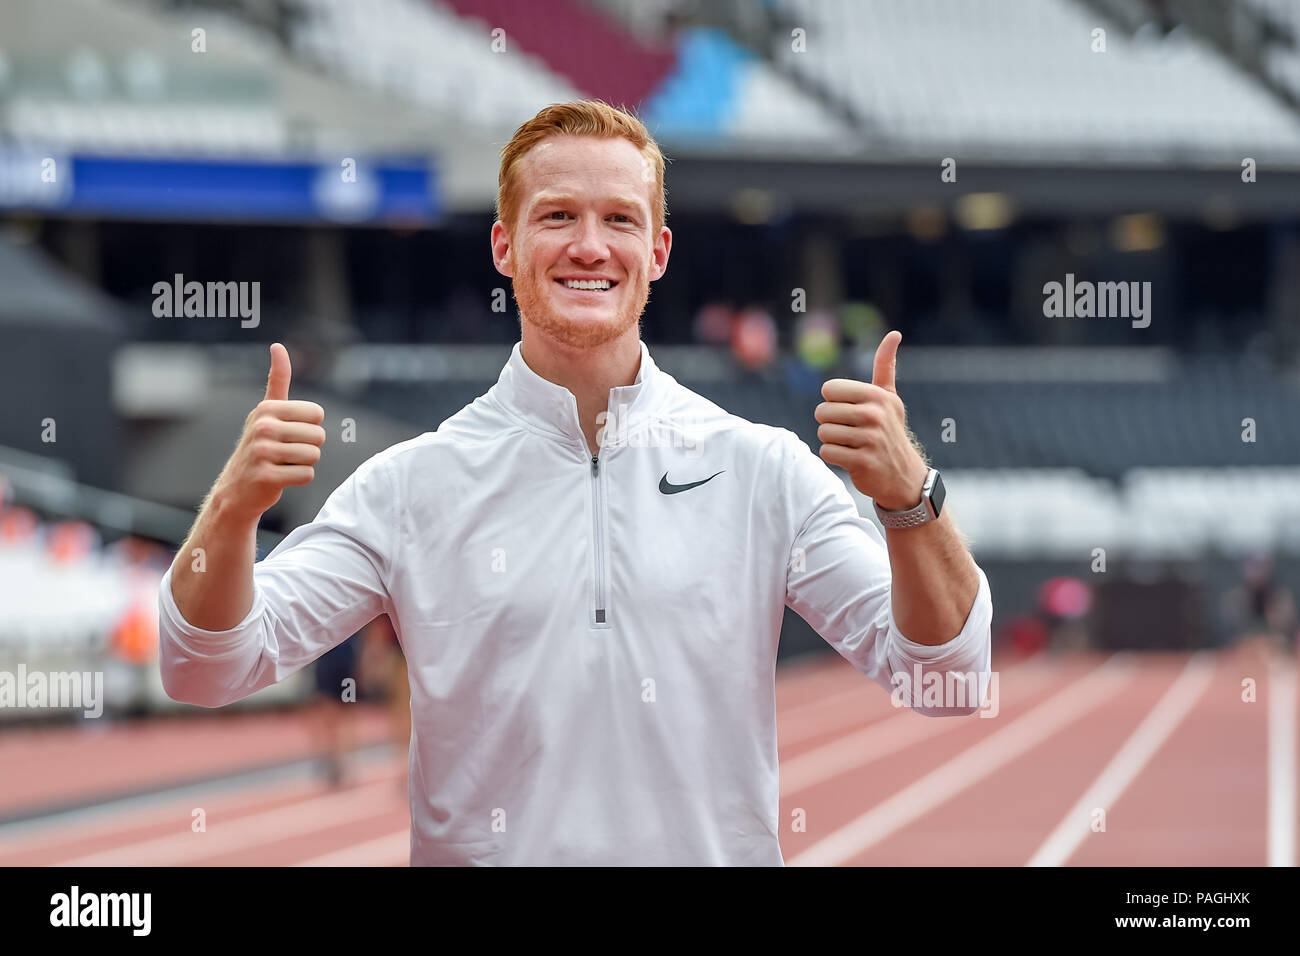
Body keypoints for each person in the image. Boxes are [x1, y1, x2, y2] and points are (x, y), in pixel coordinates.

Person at [157, 100, 993, 866]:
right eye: (558, 215)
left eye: (619, 219)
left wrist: (909, 501)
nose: (589, 246)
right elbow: (204, 671)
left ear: (657, 253)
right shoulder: (411, 486)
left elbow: (947, 682)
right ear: (504, 245)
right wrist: (230, 511)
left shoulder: (762, 470)